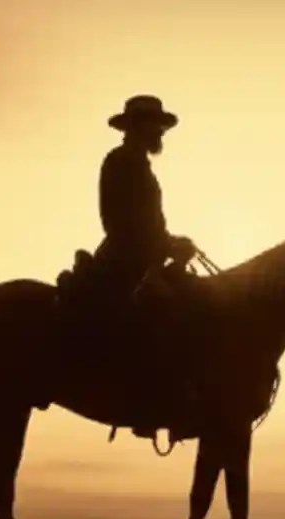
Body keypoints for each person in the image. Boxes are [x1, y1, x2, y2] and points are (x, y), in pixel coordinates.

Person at [92, 94, 201, 441]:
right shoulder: (120, 162)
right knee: (162, 314)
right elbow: (120, 223)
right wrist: (164, 246)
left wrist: (171, 241)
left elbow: (151, 222)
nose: (161, 135)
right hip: (125, 260)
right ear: (138, 128)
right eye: (156, 127)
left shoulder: (138, 164)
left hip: (144, 256)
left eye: (161, 128)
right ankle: (146, 404)